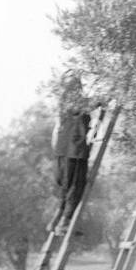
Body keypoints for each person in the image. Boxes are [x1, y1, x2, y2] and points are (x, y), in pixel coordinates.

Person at [51, 73, 94, 233]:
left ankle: (57, 221)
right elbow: (96, 102)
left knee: (65, 188)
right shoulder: (77, 103)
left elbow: (56, 131)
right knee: (76, 187)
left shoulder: (62, 104)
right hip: (74, 152)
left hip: (61, 152)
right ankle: (64, 223)